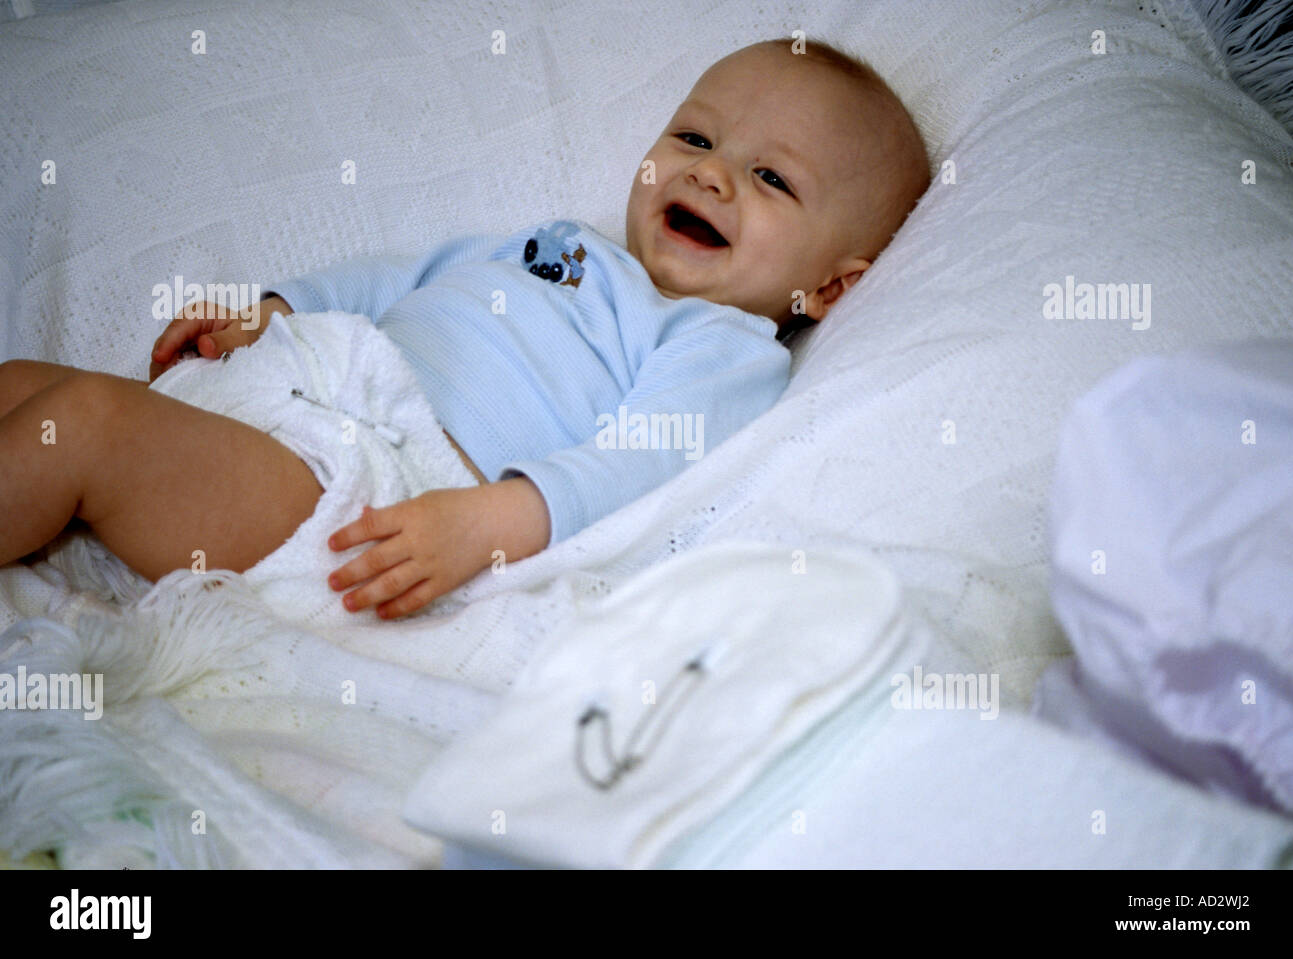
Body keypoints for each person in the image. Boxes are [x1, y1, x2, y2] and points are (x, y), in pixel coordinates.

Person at [0, 38, 929, 621]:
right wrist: (272, 311)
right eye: (695, 139)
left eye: (772, 179)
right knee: (20, 386)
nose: (712, 175)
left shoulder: (722, 345)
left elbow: (644, 461)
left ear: (831, 288)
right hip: (292, 384)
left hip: (359, 480)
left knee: (82, 425)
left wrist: (493, 520)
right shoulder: (565, 245)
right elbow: (403, 275)